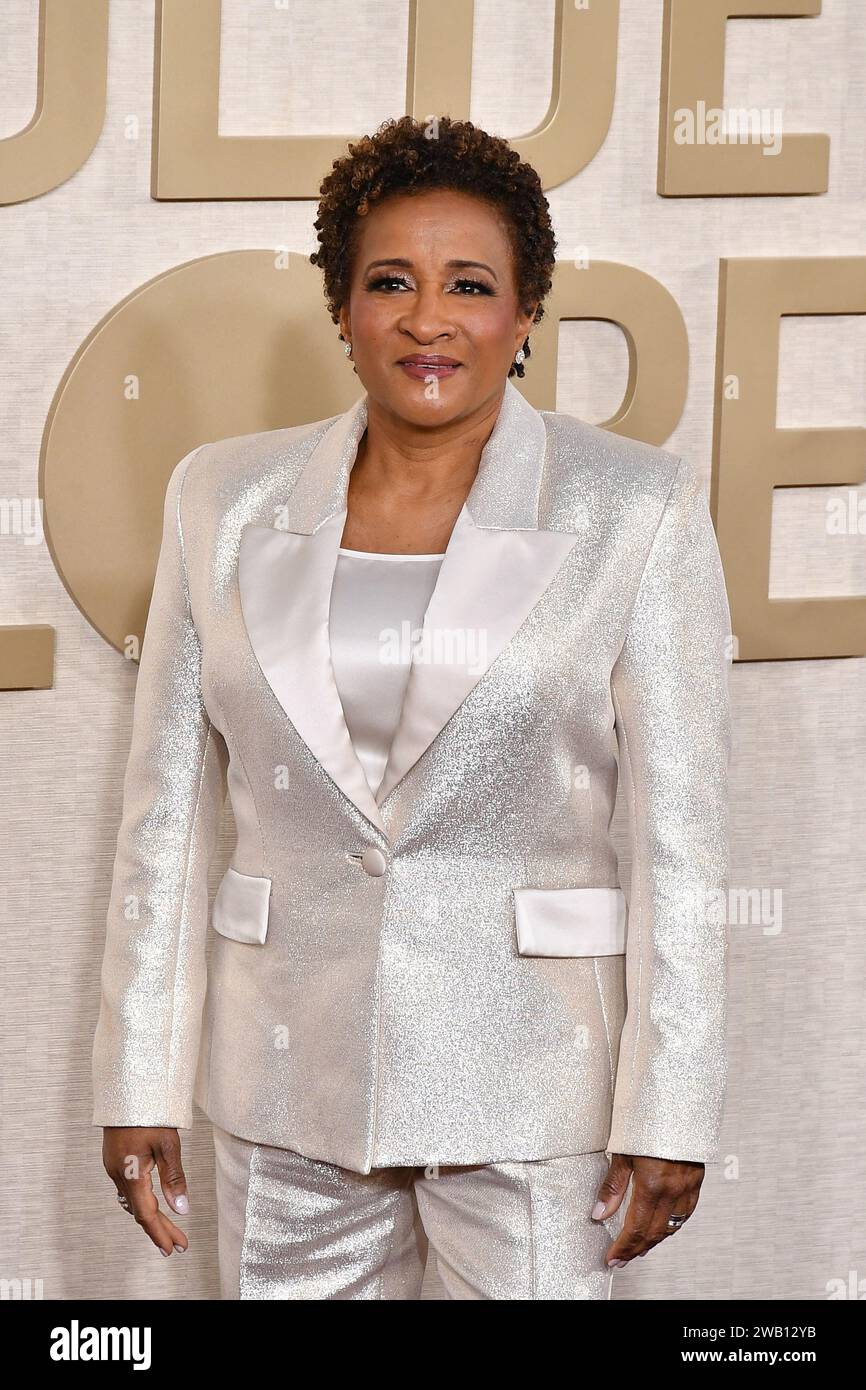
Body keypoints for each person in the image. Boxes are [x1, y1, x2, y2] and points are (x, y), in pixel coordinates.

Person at [93, 115, 733, 1300]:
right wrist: (137, 1074)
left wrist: (671, 1102)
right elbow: (165, 819)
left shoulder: (633, 509)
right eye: (389, 281)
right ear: (342, 307)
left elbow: (683, 845)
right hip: (286, 1085)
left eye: (470, 285)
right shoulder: (218, 500)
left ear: (525, 311)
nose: (427, 320)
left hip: (535, 1088)